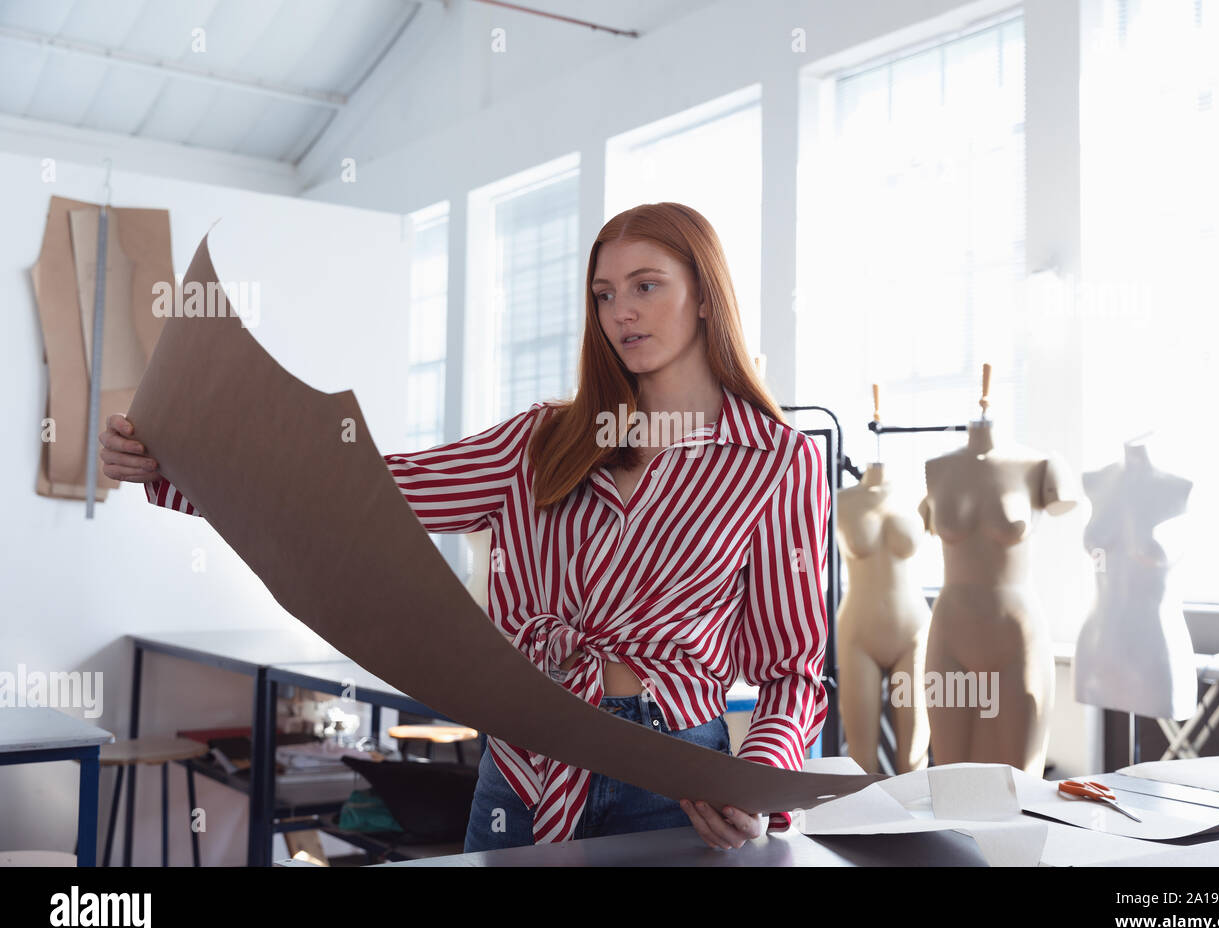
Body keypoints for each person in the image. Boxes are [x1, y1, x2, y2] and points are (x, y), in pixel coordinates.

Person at [100, 201, 831, 852]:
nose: (620, 313)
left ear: (704, 295)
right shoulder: (541, 442)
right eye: (604, 295)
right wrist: (172, 467)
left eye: (647, 286)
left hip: (675, 786)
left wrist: (757, 779)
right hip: (523, 768)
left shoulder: (779, 464)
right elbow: (361, 495)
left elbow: (791, 672)